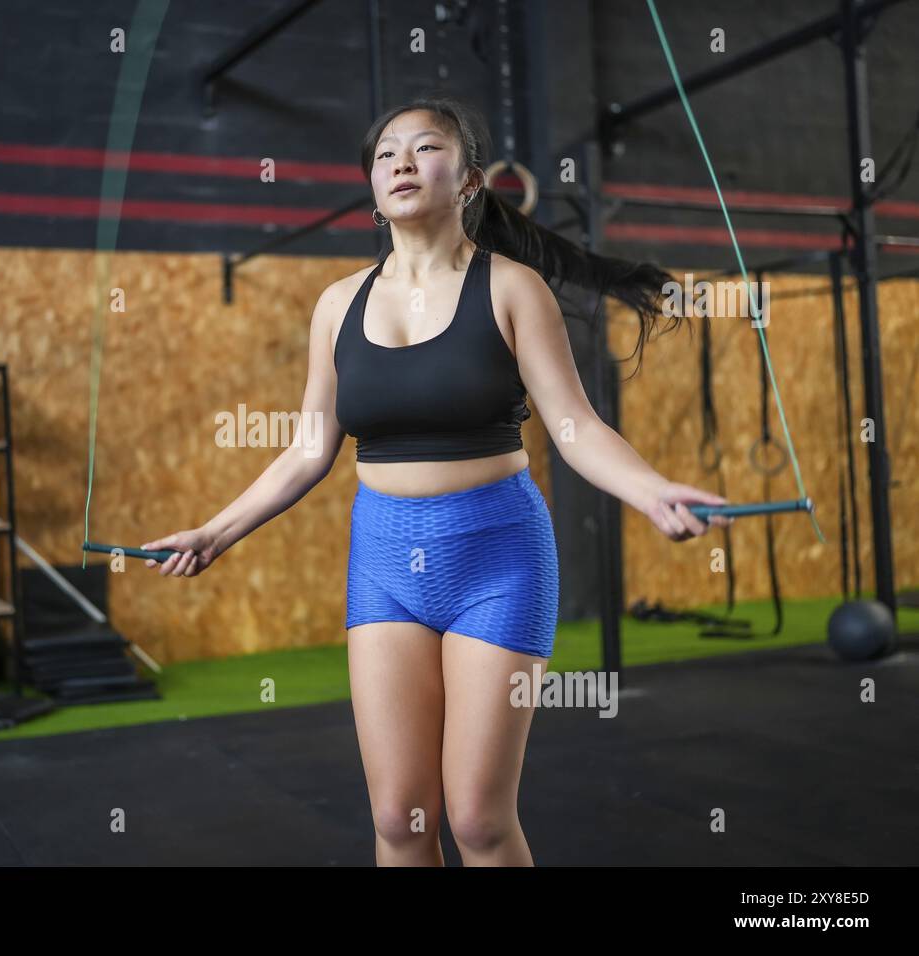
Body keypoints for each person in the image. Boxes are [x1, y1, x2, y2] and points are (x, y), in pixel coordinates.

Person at [140, 95, 732, 866]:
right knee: (398, 820)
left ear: (470, 181)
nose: (402, 163)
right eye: (387, 154)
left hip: (498, 556)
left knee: (479, 822)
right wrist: (213, 532)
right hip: (385, 562)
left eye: (425, 149)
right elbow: (308, 449)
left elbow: (575, 427)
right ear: (374, 186)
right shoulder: (337, 305)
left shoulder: (515, 289)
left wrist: (651, 491)